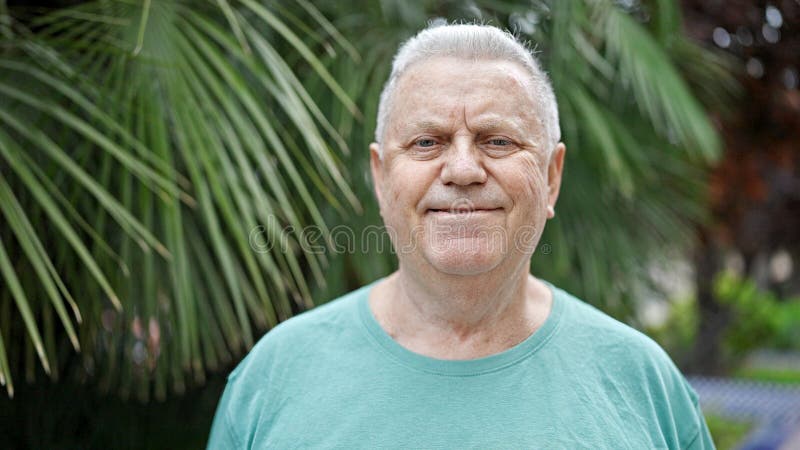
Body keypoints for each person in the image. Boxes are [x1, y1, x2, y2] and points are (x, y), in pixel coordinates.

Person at [207, 23, 714, 449]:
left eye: (498, 140)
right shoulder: (274, 377)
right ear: (381, 179)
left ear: (552, 178)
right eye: (428, 142)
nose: (464, 169)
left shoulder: (642, 384)